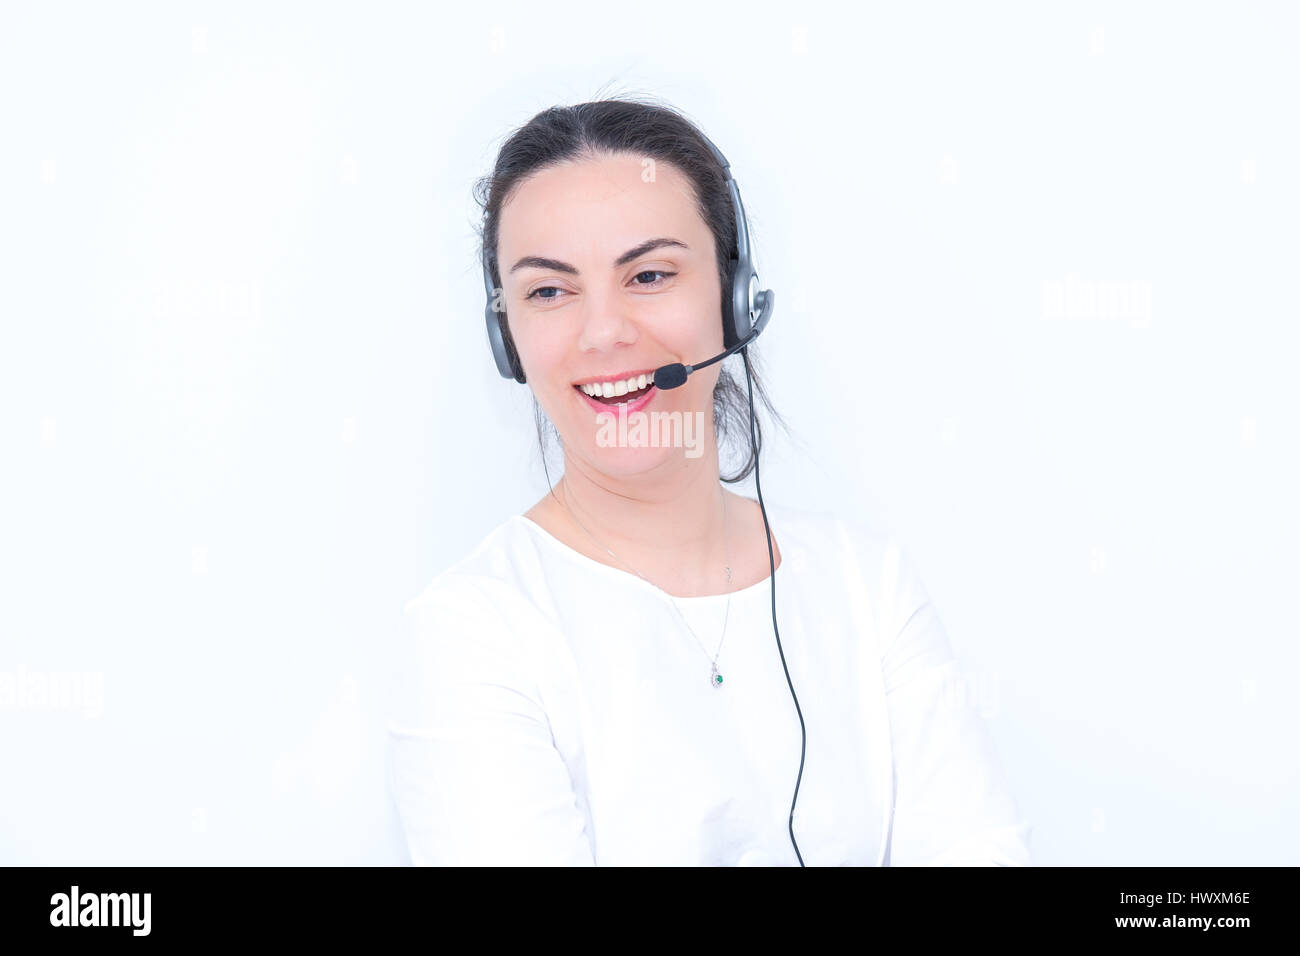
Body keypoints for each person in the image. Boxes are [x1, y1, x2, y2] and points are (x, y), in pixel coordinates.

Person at [386, 96, 1032, 866]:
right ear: (508, 340)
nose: (603, 332)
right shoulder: (474, 631)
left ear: (735, 299)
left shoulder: (867, 587)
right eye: (549, 291)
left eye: (650, 274)